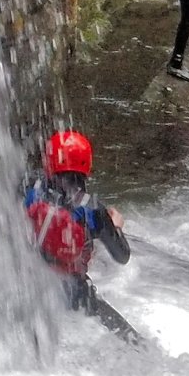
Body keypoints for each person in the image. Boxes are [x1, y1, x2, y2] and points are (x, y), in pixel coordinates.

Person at [23, 130, 138, 341]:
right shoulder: (93, 210)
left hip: (26, 284)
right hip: (74, 293)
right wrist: (117, 226)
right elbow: (122, 256)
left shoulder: (28, 191)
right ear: (87, 165)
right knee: (134, 342)